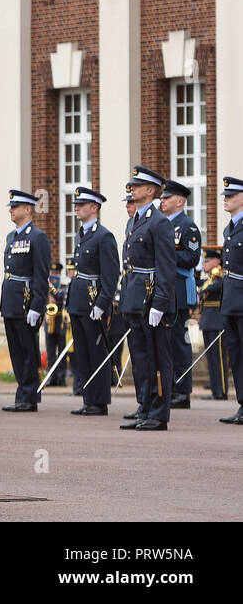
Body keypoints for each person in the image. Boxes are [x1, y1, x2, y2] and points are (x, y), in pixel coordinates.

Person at [116, 167, 177, 431]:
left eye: (138, 186)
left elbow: (166, 265)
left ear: (151, 190)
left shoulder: (159, 221)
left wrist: (160, 303)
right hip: (134, 297)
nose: (133, 189)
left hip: (152, 299)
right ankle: (145, 406)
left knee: (157, 357)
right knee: (140, 357)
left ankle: (159, 412)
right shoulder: (134, 221)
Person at [64, 187, 119, 417]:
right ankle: (88, 398)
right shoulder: (82, 234)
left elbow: (110, 274)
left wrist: (101, 303)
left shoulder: (103, 236)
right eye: (77, 204)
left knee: (97, 352)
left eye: (82, 204)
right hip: (77, 299)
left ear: (94, 207)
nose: (76, 207)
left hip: (92, 301)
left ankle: (99, 401)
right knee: (82, 352)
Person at [0, 189, 50, 413]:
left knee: (28, 350)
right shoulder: (12, 237)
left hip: (26, 301)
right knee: (16, 351)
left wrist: (37, 306)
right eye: (11, 206)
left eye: (15, 206)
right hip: (11, 300)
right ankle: (22, 392)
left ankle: (30, 396)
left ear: (28, 209)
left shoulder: (38, 237)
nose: (11, 210)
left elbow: (41, 274)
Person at [160, 179, 200, 408]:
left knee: (179, 342)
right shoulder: (164, 224)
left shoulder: (187, 226)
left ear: (180, 201)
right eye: (162, 197)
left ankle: (183, 391)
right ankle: (171, 386)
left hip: (179, 290)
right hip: (165, 290)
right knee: (166, 343)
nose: (163, 201)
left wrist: (166, 255)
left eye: (167, 198)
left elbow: (192, 258)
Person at [216, 175, 243, 425]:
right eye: (225, 196)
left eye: (231, 196)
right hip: (231, 300)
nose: (226, 200)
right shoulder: (229, 229)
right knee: (235, 353)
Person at [198, 246, 228, 401]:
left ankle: (221, 390)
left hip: (217, 321)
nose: (205, 263)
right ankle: (215, 389)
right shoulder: (209, 278)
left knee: (219, 359)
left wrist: (205, 287)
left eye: (208, 260)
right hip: (208, 321)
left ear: (217, 261)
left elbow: (214, 287)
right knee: (211, 359)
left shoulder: (221, 278)